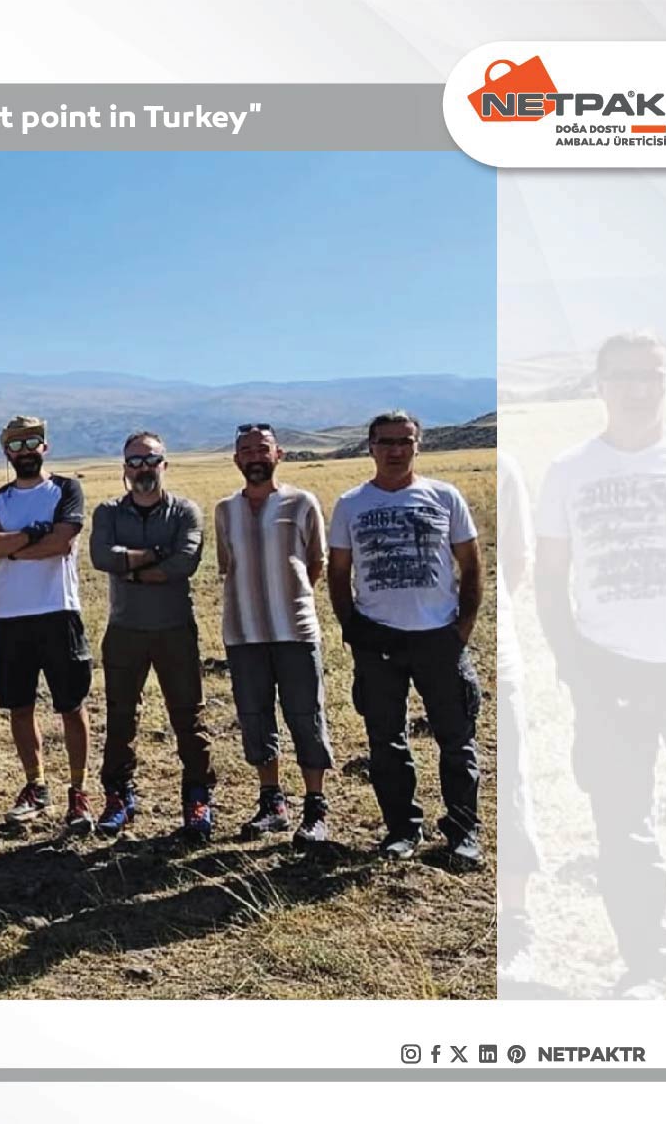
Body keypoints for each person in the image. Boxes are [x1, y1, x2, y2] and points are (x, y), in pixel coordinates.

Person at [535, 331, 666, 998]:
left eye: (651, 375)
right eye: (623, 375)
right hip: (611, 671)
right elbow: (549, 578)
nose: (637, 387)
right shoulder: (569, 470)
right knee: (622, 825)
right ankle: (649, 965)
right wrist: (576, 668)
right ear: (597, 382)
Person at [327, 410, 483, 866]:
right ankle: (402, 829)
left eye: (405, 441)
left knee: (456, 739)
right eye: (386, 442)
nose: (396, 450)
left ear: (418, 446)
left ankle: (462, 831)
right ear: (369, 446)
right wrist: (352, 628)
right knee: (386, 740)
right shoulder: (351, 504)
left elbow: (472, 566)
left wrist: (462, 630)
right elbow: (339, 573)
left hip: (439, 637)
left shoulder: (445, 497)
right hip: (378, 641)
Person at [211, 424, 333, 847]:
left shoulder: (302, 503)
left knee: (306, 714)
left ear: (279, 454)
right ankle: (272, 803)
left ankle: (315, 806)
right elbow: (227, 567)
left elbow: (315, 563)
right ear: (236, 460)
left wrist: (288, 599)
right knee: (255, 717)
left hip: (295, 631)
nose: (254, 457)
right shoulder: (225, 510)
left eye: (262, 449)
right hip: (243, 632)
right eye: (246, 450)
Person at [90, 431, 215, 842]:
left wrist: (130, 567)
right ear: (124, 467)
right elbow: (100, 557)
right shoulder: (108, 512)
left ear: (165, 464)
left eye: (151, 460)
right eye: (135, 461)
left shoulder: (185, 511)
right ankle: (119, 796)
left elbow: (185, 564)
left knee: (189, 717)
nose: (143, 468)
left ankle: (198, 798)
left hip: (175, 629)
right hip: (124, 630)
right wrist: (156, 555)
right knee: (120, 717)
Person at [0, 416, 93, 832]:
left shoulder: (66, 489)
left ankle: (78, 793)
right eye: (16, 444)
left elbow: (62, 542)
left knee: (71, 705)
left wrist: (14, 545)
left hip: (58, 610)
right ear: (6, 451)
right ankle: (36, 784)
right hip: (11, 617)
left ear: (46, 445)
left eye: (33, 441)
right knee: (19, 706)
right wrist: (33, 535)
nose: (25, 450)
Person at [497, 451, 542, 982]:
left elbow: (520, 564)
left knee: (511, 780)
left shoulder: (506, 467)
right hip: (431, 643)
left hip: (497, 651)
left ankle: (517, 918)